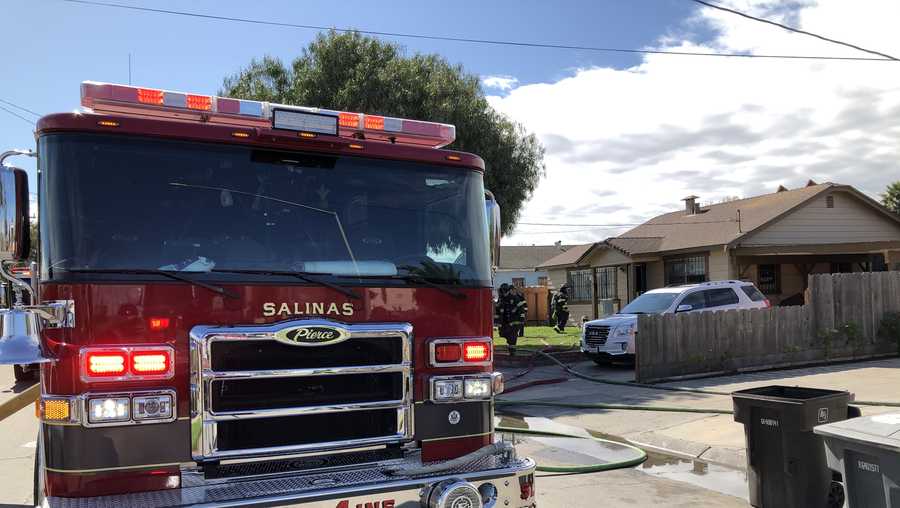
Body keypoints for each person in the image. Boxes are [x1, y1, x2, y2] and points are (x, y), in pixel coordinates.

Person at [495, 283, 527, 356]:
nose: (504, 292)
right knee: (503, 334)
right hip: (504, 322)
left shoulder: (514, 298)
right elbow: (498, 311)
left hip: (514, 322)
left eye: (505, 290)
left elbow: (521, 309)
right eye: (503, 291)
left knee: (512, 337)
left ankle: (512, 352)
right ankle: (511, 348)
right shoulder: (501, 300)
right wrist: (497, 322)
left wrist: (521, 320)